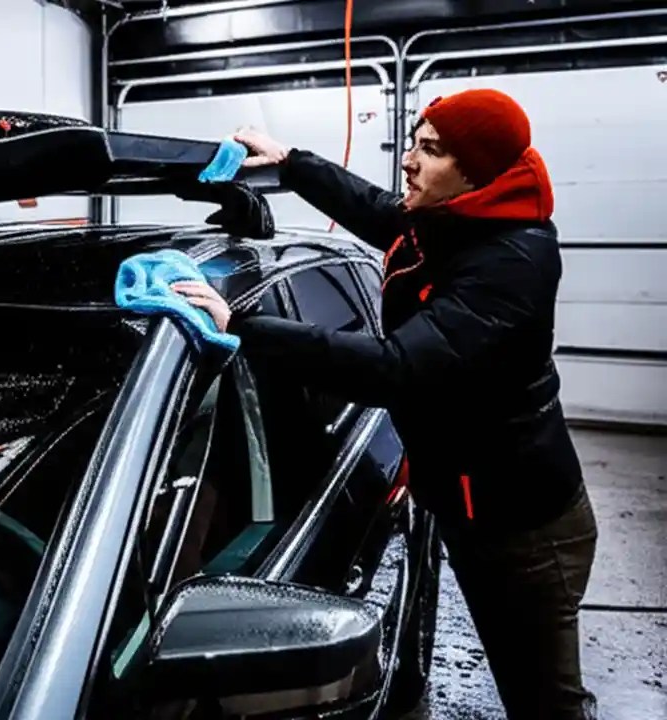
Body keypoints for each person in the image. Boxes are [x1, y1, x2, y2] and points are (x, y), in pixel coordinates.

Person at [171, 88, 600, 719]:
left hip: (524, 529)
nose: (407, 159)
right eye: (413, 141)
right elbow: (379, 211)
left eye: (430, 150)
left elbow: (398, 367)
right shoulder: (461, 218)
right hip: (470, 499)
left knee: (543, 699)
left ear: (474, 173)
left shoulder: (512, 262)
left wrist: (244, 326)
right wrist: (291, 162)